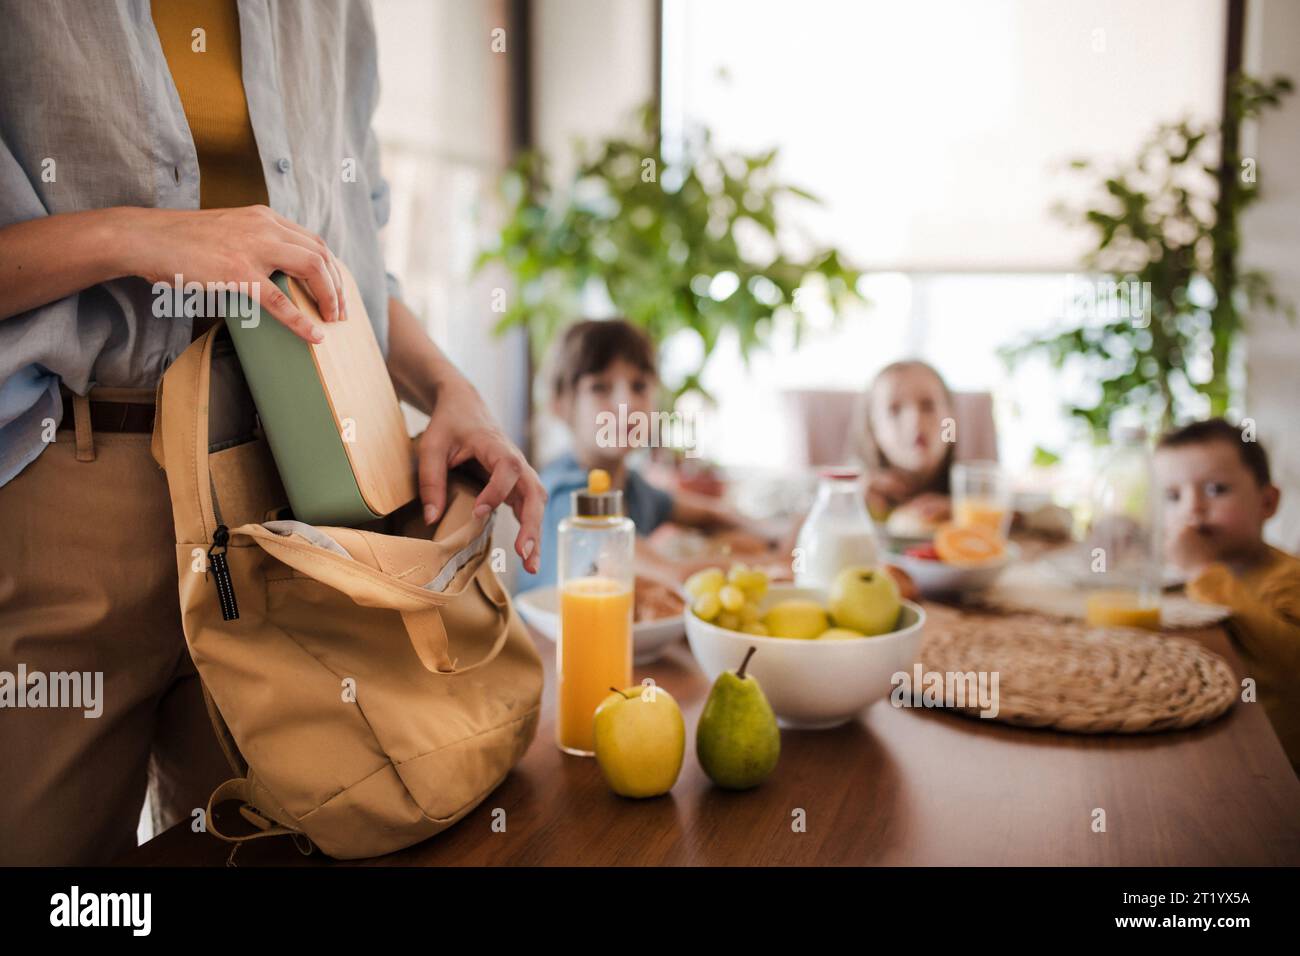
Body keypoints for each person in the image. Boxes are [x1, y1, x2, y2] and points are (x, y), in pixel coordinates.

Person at [0, 1, 544, 865]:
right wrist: (138, 237)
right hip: (72, 489)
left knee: (260, 848)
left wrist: (450, 387)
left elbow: (349, 256)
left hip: (286, 502)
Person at [529, 318, 767, 593]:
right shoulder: (561, 491)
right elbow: (669, 574)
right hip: (546, 636)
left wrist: (773, 532)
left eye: (639, 386)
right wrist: (775, 563)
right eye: (600, 387)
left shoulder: (634, 488)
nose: (626, 405)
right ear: (559, 403)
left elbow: (711, 515)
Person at [1155, 418, 1300, 774]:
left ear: (1267, 502)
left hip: (1275, 766)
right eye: (1173, 496)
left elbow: (1291, 660)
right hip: (1211, 747)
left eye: (1216, 489)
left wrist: (1202, 570)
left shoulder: (1288, 577)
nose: (1193, 508)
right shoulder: (1187, 581)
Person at [850, 359, 959, 533]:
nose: (915, 422)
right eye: (894, 409)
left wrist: (964, 514)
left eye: (928, 405)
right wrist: (846, 504)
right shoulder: (850, 495)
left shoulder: (979, 497)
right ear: (872, 429)